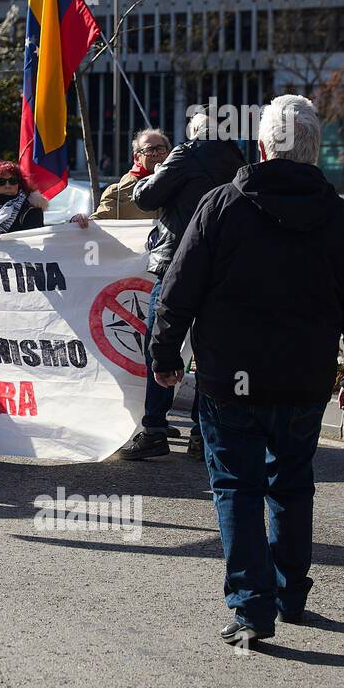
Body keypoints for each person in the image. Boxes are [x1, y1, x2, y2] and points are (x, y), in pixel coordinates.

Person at [148, 95, 344, 649]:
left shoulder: (221, 207)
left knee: (236, 486)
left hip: (229, 379)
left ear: (260, 146)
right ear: (315, 151)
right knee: (292, 485)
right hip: (304, 380)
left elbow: (178, 293)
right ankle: (289, 594)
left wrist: (164, 356)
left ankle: (253, 610)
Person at [116, 111, 246, 462]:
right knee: (207, 351)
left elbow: (145, 197)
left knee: (159, 343)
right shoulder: (238, 159)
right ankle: (201, 434)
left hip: (178, 263)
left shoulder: (185, 154)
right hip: (221, 268)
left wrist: (157, 174)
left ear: (193, 133)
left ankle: (154, 429)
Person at [71, 129, 170, 225]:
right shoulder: (117, 193)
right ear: (137, 157)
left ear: (168, 153)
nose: (155, 153)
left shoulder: (180, 186)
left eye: (160, 149)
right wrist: (78, 222)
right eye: (148, 150)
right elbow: (98, 225)